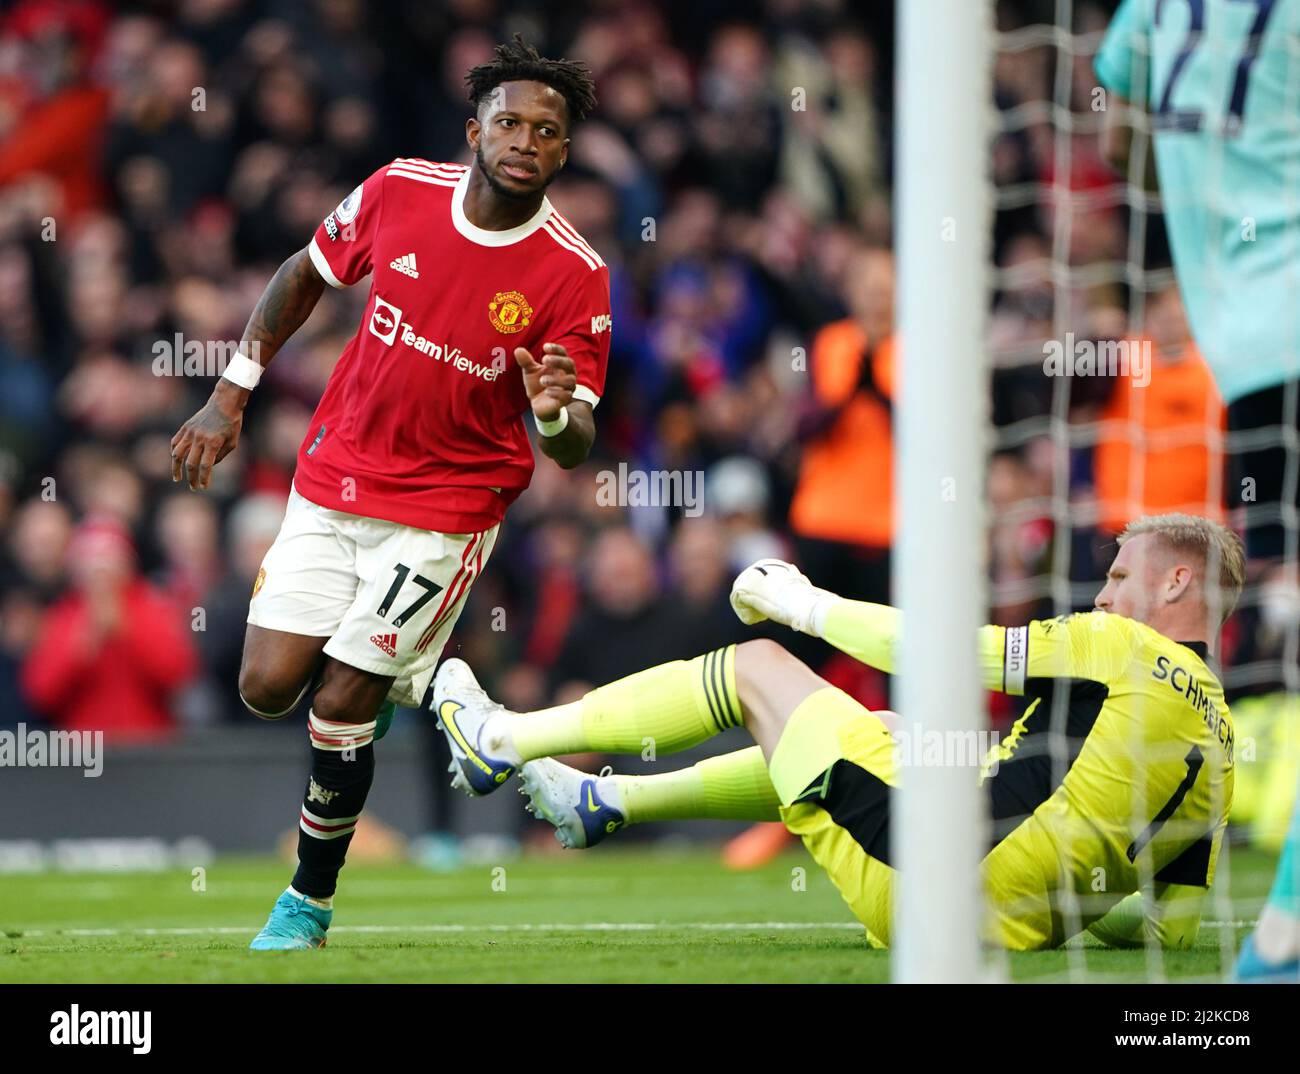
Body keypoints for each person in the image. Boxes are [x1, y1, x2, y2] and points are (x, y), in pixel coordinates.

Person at [168, 35, 610, 950]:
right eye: (509, 122)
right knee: (265, 686)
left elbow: (572, 444)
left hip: (445, 515)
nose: (525, 140)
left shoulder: (576, 274)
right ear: (473, 131)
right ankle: (441, 680)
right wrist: (227, 394)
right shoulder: (400, 189)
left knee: (340, 705)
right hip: (333, 483)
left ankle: (307, 902)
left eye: (546, 130)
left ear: (564, 152)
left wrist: (554, 413)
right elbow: (302, 275)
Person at [436, 514, 1242, 950]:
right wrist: (1068, 887)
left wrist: (800, 603)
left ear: (1176, 580)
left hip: (921, 876)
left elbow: (940, 652)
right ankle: (605, 801)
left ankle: (504, 739)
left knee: (756, 666)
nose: (1102, 596)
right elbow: (1170, 929)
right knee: (878, 729)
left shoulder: (1123, 646)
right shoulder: (1225, 749)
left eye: (1120, 576)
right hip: (999, 933)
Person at [1095, 0, 1300, 980]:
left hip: (1251, 357)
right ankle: (1286, 925)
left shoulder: (1149, 11)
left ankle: (1283, 928)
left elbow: (1120, 139)